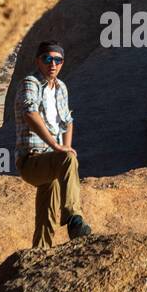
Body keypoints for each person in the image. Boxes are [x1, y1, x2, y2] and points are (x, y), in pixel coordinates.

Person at [13, 40, 92, 247]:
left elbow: (68, 121)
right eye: (47, 59)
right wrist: (58, 147)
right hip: (32, 160)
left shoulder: (61, 88)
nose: (53, 64)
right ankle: (74, 217)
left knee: (46, 218)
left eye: (58, 60)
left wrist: (65, 145)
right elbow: (30, 113)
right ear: (38, 61)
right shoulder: (30, 83)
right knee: (67, 159)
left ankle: (39, 254)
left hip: (51, 161)